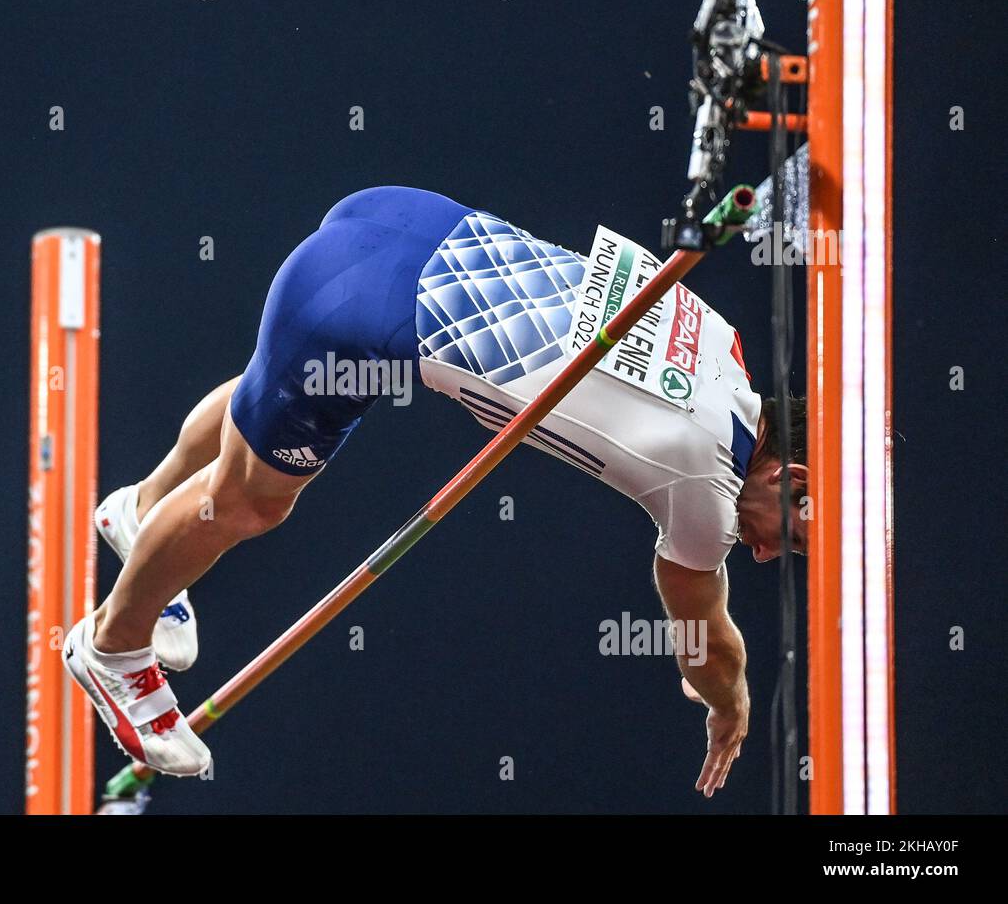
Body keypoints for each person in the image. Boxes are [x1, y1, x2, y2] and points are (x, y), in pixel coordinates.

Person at [61, 186, 807, 796]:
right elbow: (702, 637)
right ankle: (113, 647)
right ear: (788, 476)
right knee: (252, 500)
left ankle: (140, 509)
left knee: (267, 391)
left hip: (403, 216)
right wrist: (728, 701)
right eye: (791, 536)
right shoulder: (708, 486)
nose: (768, 554)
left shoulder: (721, 341)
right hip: (353, 321)